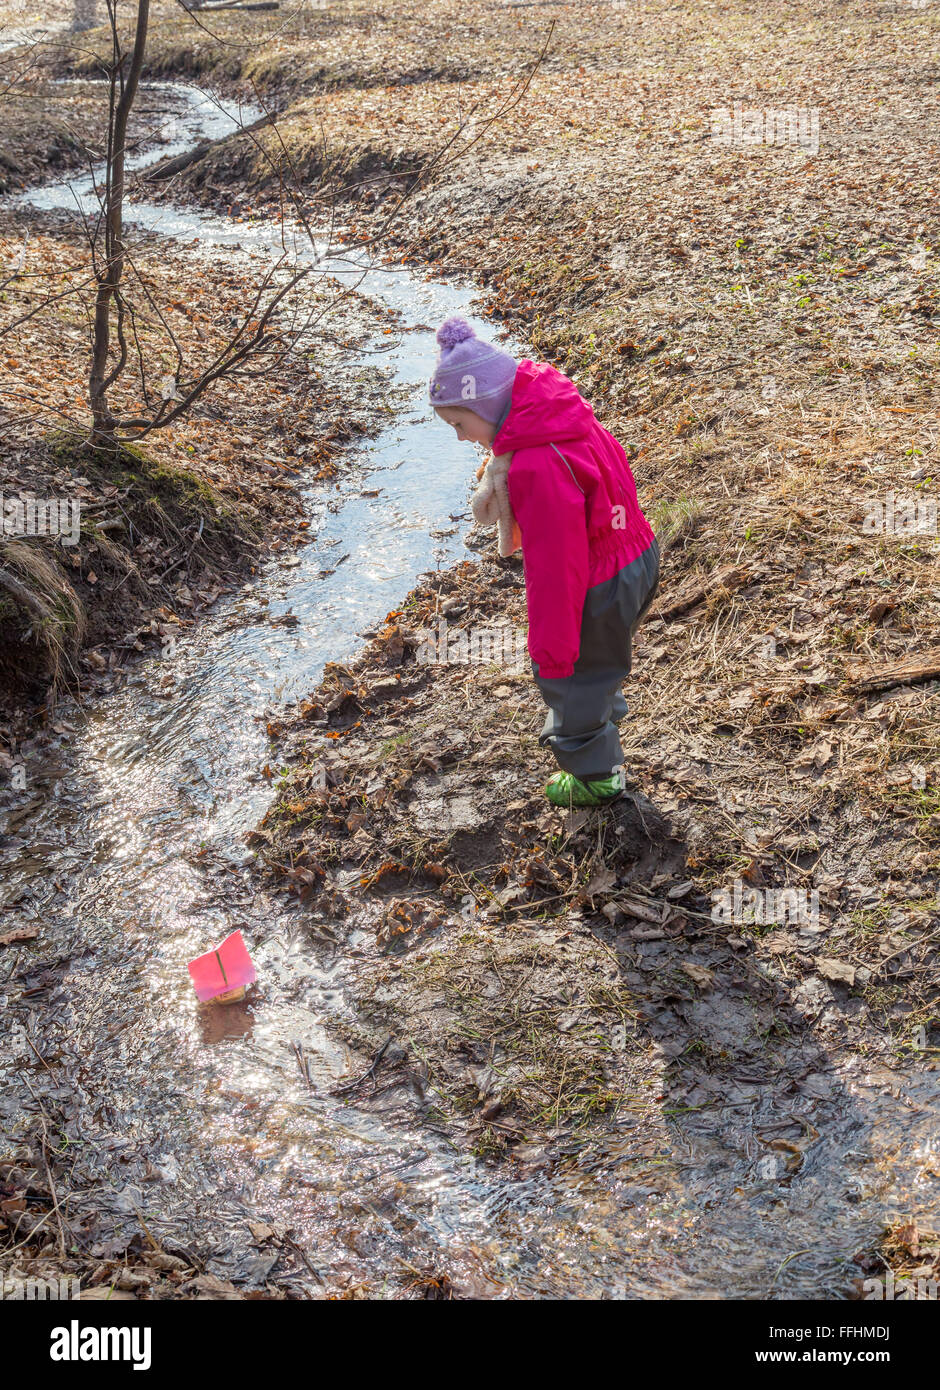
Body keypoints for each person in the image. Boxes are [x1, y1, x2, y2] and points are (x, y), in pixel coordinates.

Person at [430, 316, 659, 808]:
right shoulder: (561, 416)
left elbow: (557, 568)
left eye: (459, 424)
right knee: (599, 664)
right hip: (635, 554)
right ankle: (602, 711)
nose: (459, 437)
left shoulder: (537, 465)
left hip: (598, 583)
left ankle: (597, 777)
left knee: (571, 677)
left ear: (486, 407)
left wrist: (551, 652)